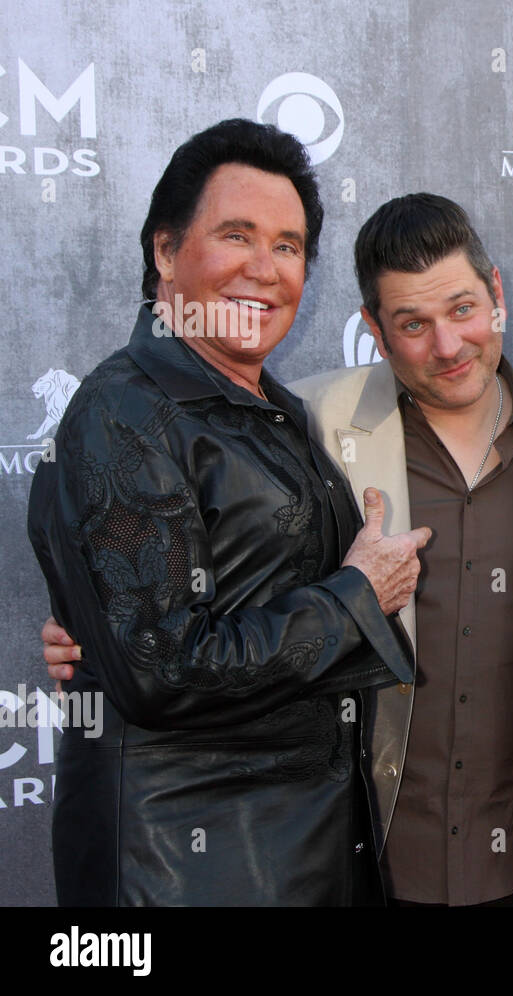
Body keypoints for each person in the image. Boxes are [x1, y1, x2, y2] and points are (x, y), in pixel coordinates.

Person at [47, 193, 513, 907]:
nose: (447, 345)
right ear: (374, 330)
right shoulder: (304, 421)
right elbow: (188, 597)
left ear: (496, 293)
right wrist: (96, 629)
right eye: (412, 323)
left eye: (464, 310)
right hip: (362, 847)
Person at [28, 118, 428, 906]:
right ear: (166, 252)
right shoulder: (125, 415)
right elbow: (162, 669)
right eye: (235, 235)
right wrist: (357, 597)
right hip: (185, 869)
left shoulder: (263, 404)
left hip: (293, 849)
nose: (264, 269)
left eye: (287, 246)